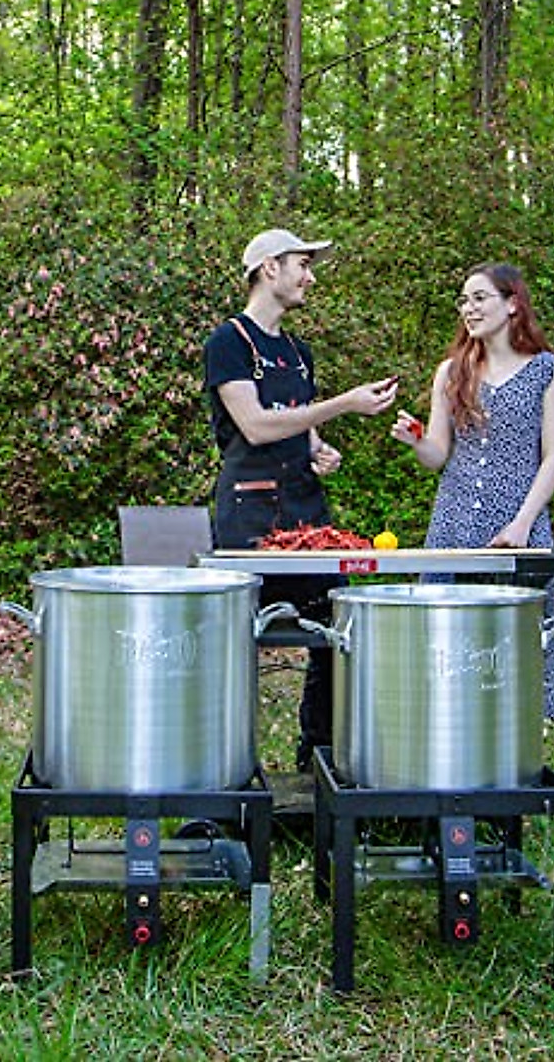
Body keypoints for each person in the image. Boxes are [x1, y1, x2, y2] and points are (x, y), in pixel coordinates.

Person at [204, 228, 399, 771]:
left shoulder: (298, 352)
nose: (310, 277)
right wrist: (342, 405)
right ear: (270, 268)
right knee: (234, 644)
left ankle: (319, 757)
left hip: (308, 518)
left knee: (337, 631)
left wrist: (318, 448)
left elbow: (297, 425)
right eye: (302, 265)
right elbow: (255, 426)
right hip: (250, 522)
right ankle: (226, 766)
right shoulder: (228, 343)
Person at [391, 263, 554, 718]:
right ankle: (445, 720)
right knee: (444, 631)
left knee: (521, 631)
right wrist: (416, 441)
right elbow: (437, 454)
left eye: (479, 298)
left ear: (512, 304)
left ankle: (526, 723)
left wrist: (522, 524)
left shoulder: (546, 371)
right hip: (454, 522)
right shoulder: (452, 372)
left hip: (518, 520)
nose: (468, 309)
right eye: (463, 301)